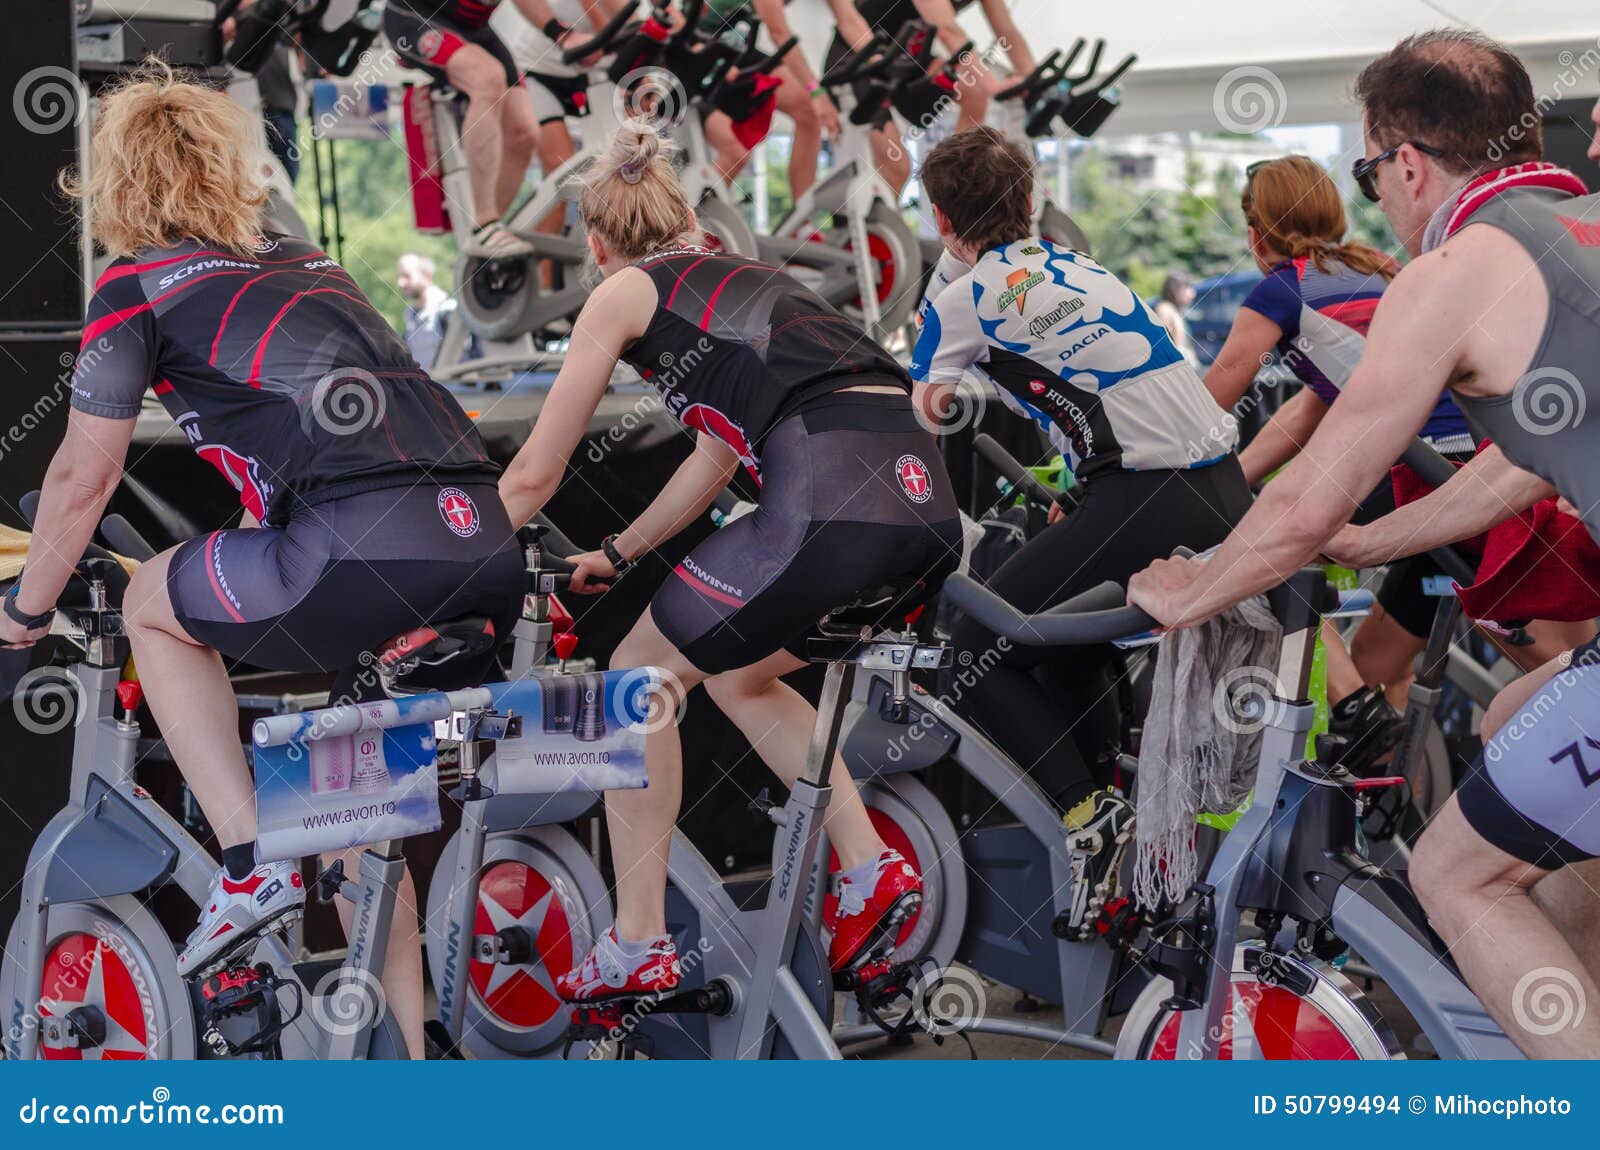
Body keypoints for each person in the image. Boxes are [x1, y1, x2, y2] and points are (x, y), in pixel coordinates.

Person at [0, 65, 525, 1058]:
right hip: (477, 540)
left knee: (154, 601)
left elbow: (79, 479)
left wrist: (24, 614)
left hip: (355, 551)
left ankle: (250, 856)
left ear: (114, 185)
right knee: (371, 827)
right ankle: (405, 1057)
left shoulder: (132, 285)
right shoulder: (308, 260)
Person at [1126, 32, 1600, 1058]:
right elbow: (1521, 461)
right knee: (1520, 708)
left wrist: (1192, 588)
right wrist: (1370, 533)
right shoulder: (1581, 223)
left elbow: (1298, 501)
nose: (1380, 195)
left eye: (1369, 171)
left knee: (1454, 872)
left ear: (1408, 161)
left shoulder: (1456, 268)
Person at [497, 119, 963, 999]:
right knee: (741, 677)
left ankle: (638, 940)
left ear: (598, 245)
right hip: (926, 509)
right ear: (688, 221)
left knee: (636, 678)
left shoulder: (623, 289)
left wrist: (465, 549)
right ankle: (870, 870)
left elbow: (536, 469)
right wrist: (618, 549)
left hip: (826, 500)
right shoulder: (758, 280)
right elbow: (716, 454)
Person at [908, 126, 1249, 899]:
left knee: (972, 652)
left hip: (1147, 496)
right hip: (1221, 488)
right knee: (1065, 644)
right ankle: (1113, 846)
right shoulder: (1079, 266)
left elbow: (911, 437)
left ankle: (1093, 816)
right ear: (1031, 203)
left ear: (940, 219)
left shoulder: (964, 300)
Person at [384, 0, 560, 257]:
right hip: (415, 17)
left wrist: (560, 32)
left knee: (524, 133)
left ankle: (487, 234)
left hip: (475, 29)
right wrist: (561, 33)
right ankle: (485, 225)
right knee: (488, 79)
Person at [823, 0, 1038, 196]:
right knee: (896, 168)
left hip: (905, 60)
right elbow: (948, 30)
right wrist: (992, 84)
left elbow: (1007, 32)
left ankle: (959, 184)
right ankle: (876, 229)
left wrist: (1032, 80)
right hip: (859, 58)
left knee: (973, 89)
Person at [698, 0, 839, 201]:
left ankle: (801, 219)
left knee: (808, 111)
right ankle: (693, 216)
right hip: (703, 45)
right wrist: (817, 92)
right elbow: (779, 32)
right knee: (733, 153)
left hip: (733, 44)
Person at [397, 251, 459, 369]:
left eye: (407, 276)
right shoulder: (410, 318)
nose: (400, 283)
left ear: (427, 277)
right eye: (399, 276)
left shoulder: (449, 312)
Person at [1152, 272, 1195, 364]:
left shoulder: (1175, 310)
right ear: (1175, 289)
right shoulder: (1165, 309)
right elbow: (1162, 345)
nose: (1192, 294)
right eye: (1187, 288)